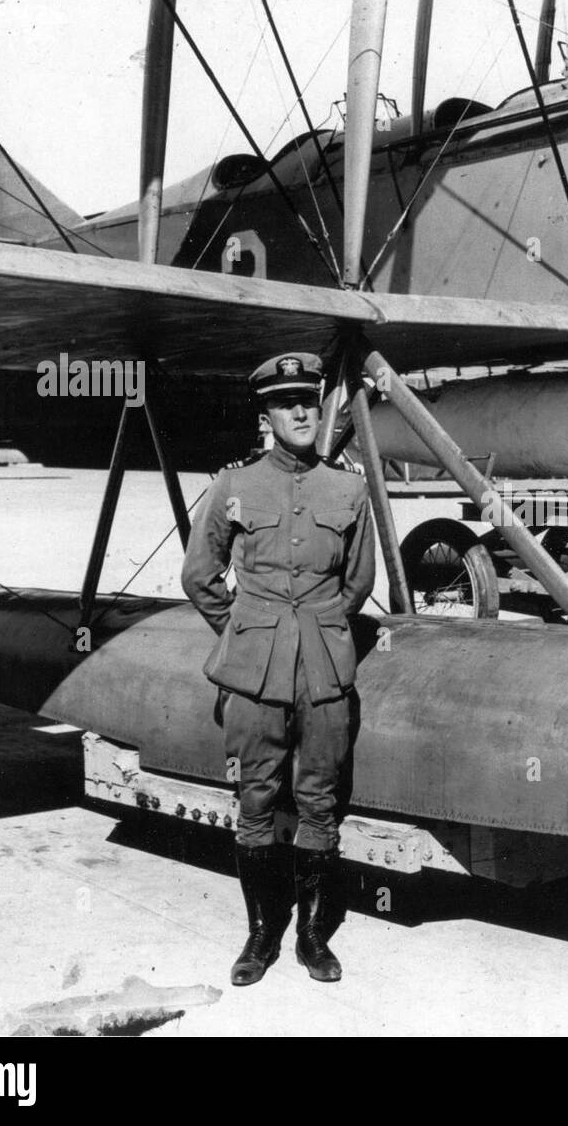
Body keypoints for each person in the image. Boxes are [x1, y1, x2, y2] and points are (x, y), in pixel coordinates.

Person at [181, 351, 376, 985]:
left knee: (319, 799)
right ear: (265, 414)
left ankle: (313, 937)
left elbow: (356, 584)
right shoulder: (233, 485)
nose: (300, 410)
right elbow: (199, 575)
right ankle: (262, 934)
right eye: (285, 402)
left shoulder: (348, 489)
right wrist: (246, 632)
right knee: (256, 797)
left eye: (308, 400)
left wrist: (316, 629)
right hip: (254, 676)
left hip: (323, 673)